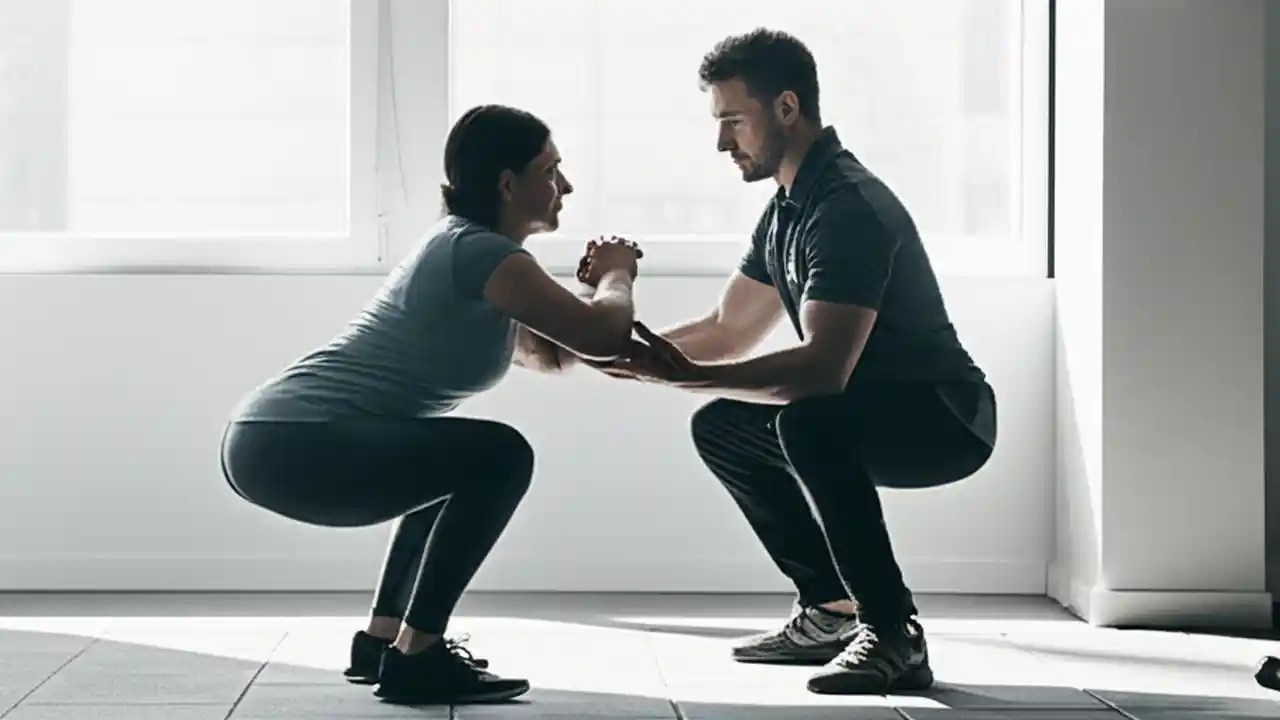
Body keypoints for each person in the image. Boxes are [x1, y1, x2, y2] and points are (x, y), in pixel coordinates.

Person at [584, 28, 998, 695]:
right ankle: (831, 609)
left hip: (945, 417)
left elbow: (821, 371)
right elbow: (727, 328)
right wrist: (621, 353)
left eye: (732, 122)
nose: (722, 144)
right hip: (868, 405)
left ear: (785, 108)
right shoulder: (787, 209)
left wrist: (684, 373)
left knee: (808, 422)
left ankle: (893, 632)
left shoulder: (846, 209)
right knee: (722, 426)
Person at [219, 104, 643, 706]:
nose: (565, 186)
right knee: (500, 455)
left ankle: (384, 641)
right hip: (292, 439)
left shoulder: (473, 252)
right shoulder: (484, 255)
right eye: (552, 171)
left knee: (451, 468)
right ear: (506, 184)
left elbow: (554, 354)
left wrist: (598, 294)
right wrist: (619, 273)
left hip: (269, 437)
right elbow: (603, 336)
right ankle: (420, 656)